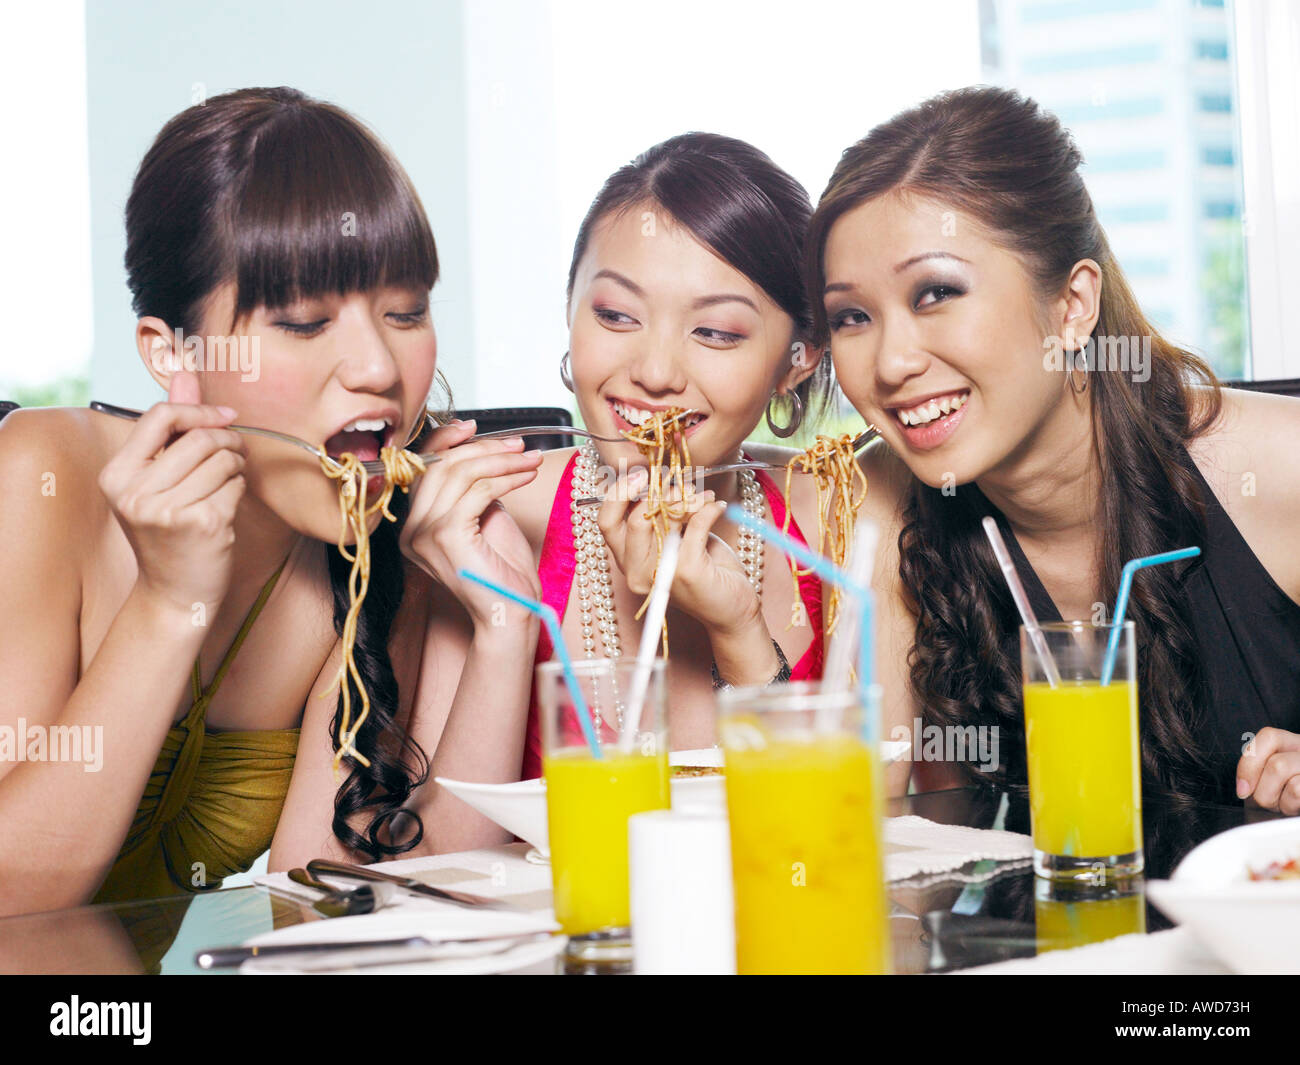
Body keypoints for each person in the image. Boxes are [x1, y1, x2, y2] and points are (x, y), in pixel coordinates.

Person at [0, 86, 543, 917]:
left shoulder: (374, 540)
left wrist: (505, 625)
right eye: (302, 321)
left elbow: (335, 894)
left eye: (405, 311)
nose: (376, 367)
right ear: (170, 350)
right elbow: (11, 892)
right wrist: (169, 600)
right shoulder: (41, 477)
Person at [808, 85, 1300, 812]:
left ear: (1072, 305)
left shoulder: (1276, 464)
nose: (890, 363)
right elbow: (854, 820)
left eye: (935, 293)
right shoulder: (880, 498)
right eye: (852, 316)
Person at [469, 132, 911, 788]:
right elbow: (430, 866)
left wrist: (737, 630)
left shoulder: (849, 514)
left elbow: (858, 834)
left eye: (716, 332)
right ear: (570, 311)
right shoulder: (491, 516)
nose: (653, 373)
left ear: (800, 359)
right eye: (616, 314)